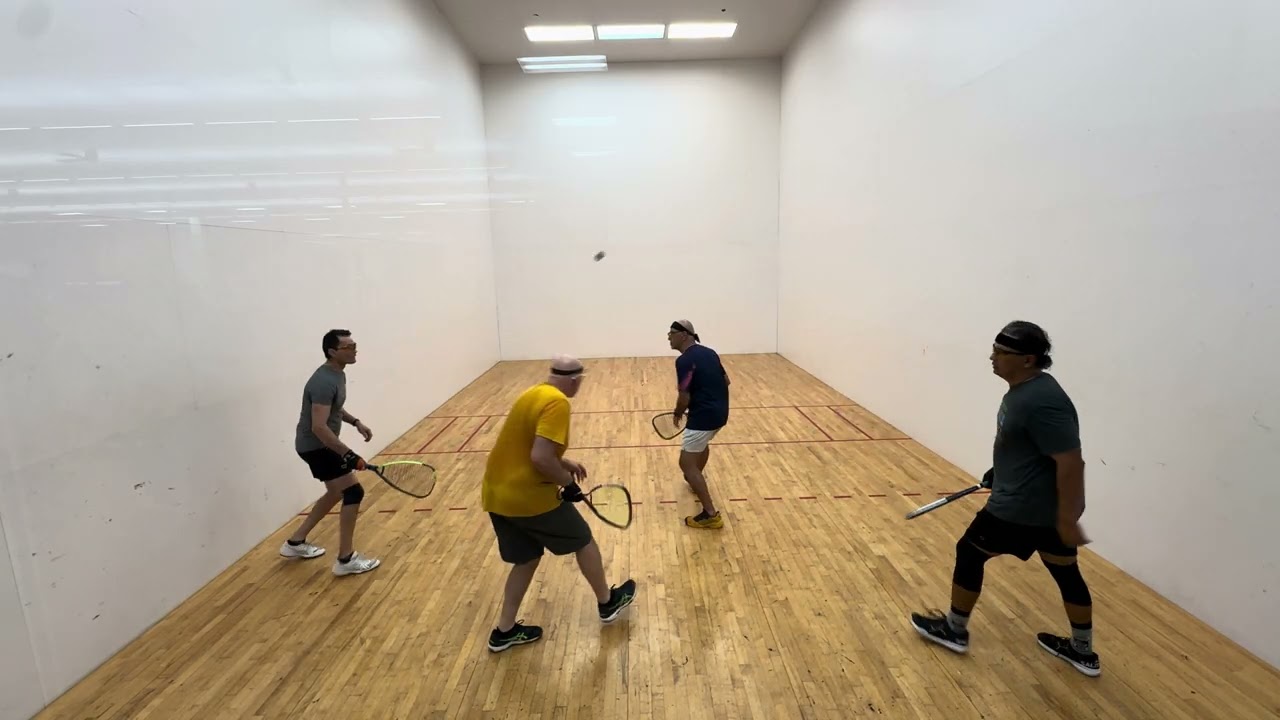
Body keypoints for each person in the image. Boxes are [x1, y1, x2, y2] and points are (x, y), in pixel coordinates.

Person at [910, 321, 1100, 677]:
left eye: (1001, 353)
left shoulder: (1042, 402)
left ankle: (954, 629)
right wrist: (1003, 471)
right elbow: (1030, 448)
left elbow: (1070, 460)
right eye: (994, 349)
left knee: (969, 552)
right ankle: (1082, 651)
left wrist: (1069, 514)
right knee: (1065, 571)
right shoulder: (1026, 391)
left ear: (1028, 359)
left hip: (1022, 509)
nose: (992, 357)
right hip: (1042, 507)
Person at [481, 354, 637, 652]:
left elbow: (529, 445)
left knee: (525, 559)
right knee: (583, 540)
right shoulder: (559, 403)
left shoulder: (533, 393)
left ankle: (504, 630)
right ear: (575, 380)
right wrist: (568, 484)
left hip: (496, 495)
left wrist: (562, 461)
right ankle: (607, 603)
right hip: (528, 498)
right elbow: (539, 458)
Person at [279, 329, 381, 577]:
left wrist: (355, 422)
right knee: (353, 491)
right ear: (332, 352)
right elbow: (319, 426)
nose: (354, 350)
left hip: (319, 445)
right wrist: (349, 454)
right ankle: (345, 559)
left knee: (336, 491)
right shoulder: (323, 381)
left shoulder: (336, 374)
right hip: (315, 446)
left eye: (354, 345)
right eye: (348, 347)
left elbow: (335, 408)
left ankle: (295, 543)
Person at [667, 319, 730, 529]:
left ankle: (711, 514)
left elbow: (684, 395)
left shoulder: (684, 361)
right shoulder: (710, 352)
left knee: (686, 464)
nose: (668, 337)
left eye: (671, 333)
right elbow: (726, 380)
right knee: (702, 446)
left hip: (703, 416)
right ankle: (696, 482)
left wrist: (677, 413)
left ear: (684, 335)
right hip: (720, 414)